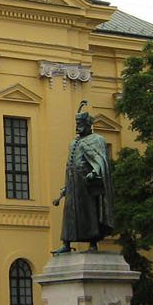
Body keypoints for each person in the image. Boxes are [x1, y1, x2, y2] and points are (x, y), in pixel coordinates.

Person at [53, 102, 114, 252]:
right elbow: (69, 165)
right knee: (69, 213)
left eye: (80, 123)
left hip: (88, 183)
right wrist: (65, 187)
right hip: (73, 183)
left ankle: (93, 243)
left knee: (90, 211)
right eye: (76, 123)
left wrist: (95, 172)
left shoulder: (97, 140)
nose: (77, 126)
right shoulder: (73, 143)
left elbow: (101, 159)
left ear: (88, 124)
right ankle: (66, 243)